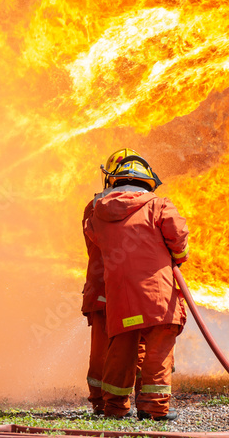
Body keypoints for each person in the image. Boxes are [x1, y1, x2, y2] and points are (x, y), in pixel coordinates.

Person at [85, 156, 189, 421]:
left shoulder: (100, 212)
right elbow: (178, 239)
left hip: (121, 297)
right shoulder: (159, 205)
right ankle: (153, 409)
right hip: (157, 295)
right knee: (158, 347)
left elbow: (94, 239)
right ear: (147, 183)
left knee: (121, 349)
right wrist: (178, 255)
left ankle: (115, 408)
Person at [81, 148, 146, 416]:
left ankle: (102, 401)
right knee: (139, 343)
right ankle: (146, 401)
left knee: (103, 348)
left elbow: (92, 242)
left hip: (103, 288)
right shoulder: (152, 205)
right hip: (136, 290)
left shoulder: (96, 206)